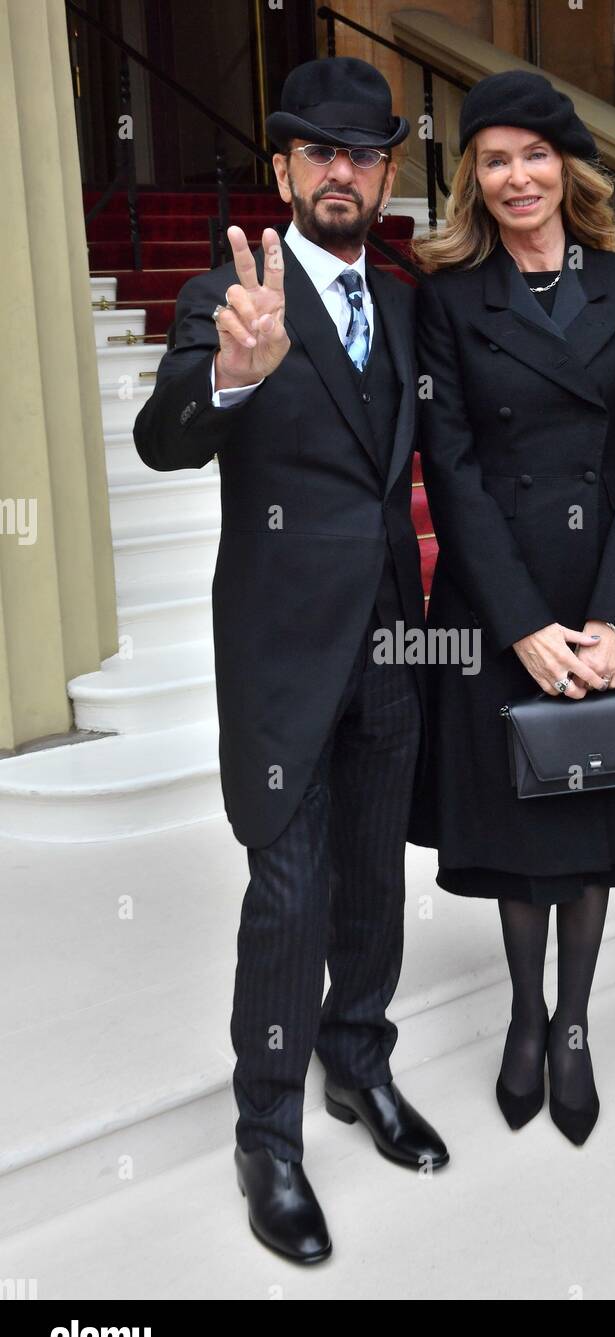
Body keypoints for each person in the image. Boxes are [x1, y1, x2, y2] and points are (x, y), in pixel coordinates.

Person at [133, 56, 448, 1265]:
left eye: (361, 152)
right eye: (316, 151)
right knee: (291, 895)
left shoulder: (409, 305)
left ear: (382, 173)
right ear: (280, 169)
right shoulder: (228, 294)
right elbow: (164, 439)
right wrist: (228, 376)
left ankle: (357, 1061)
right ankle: (267, 1133)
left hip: (391, 639)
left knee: (373, 880)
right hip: (277, 656)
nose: (340, 170)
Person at [408, 70, 615, 1147]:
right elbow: (448, 467)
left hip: (611, 593)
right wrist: (522, 628)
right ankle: (522, 1013)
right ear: (471, 180)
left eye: (532, 155)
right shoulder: (447, 299)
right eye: (492, 160)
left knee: (589, 823)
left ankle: (575, 1024)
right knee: (521, 829)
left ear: (566, 166)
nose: (515, 178)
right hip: (505, 594)